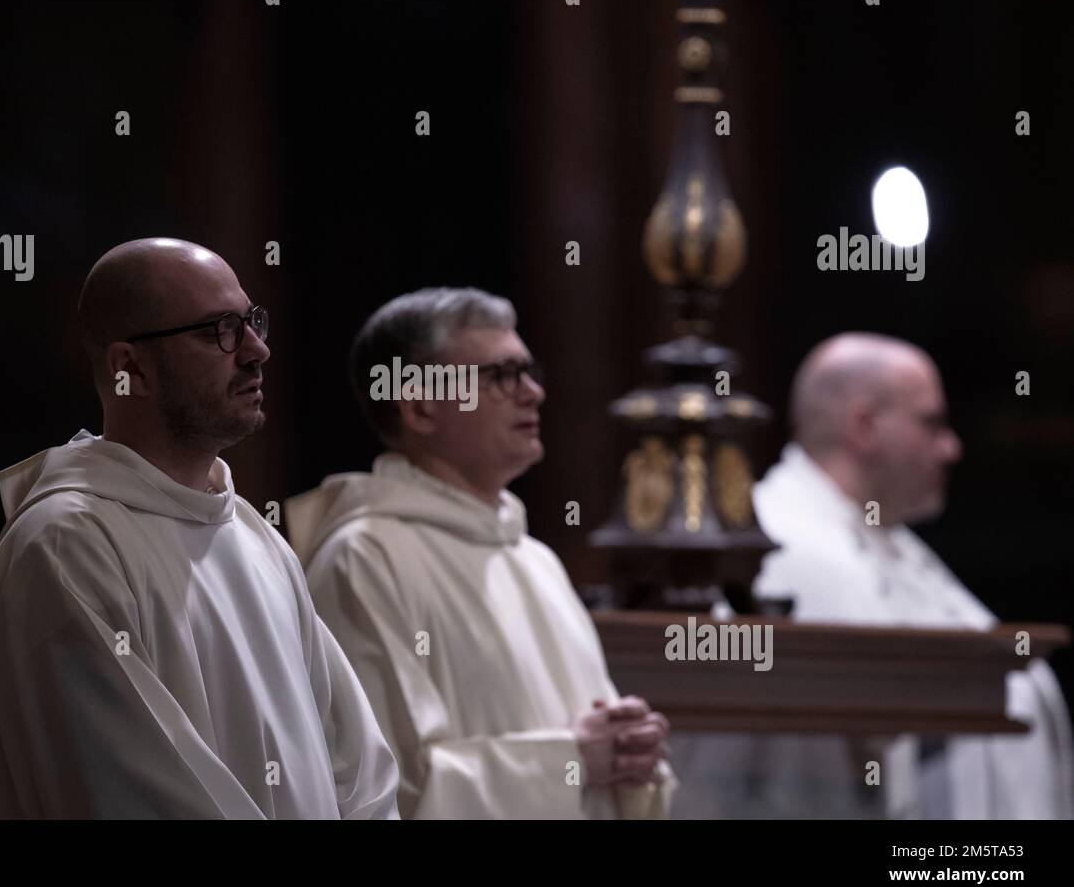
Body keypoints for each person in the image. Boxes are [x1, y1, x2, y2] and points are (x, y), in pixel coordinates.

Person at [0, 238, 399, 819]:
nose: (257, 351)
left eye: (252, 322)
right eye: (219, 330)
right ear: (129, 368)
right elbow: (136, 797)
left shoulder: (255, 538)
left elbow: (360, 772)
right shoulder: (67, 543)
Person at [286, 287, 676, 819]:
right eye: (501, 376)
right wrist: (573, 759)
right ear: (421, 406)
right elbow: (389, 790)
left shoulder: (535, 559)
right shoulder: (366, 558)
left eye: (529, 371)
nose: (533, 392)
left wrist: (630, 751)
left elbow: (596, 748)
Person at [675, 332, 1073, 818]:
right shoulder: (782, 543)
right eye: (932, 423)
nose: (951, 448)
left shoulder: (888, 536)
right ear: (863, 426)